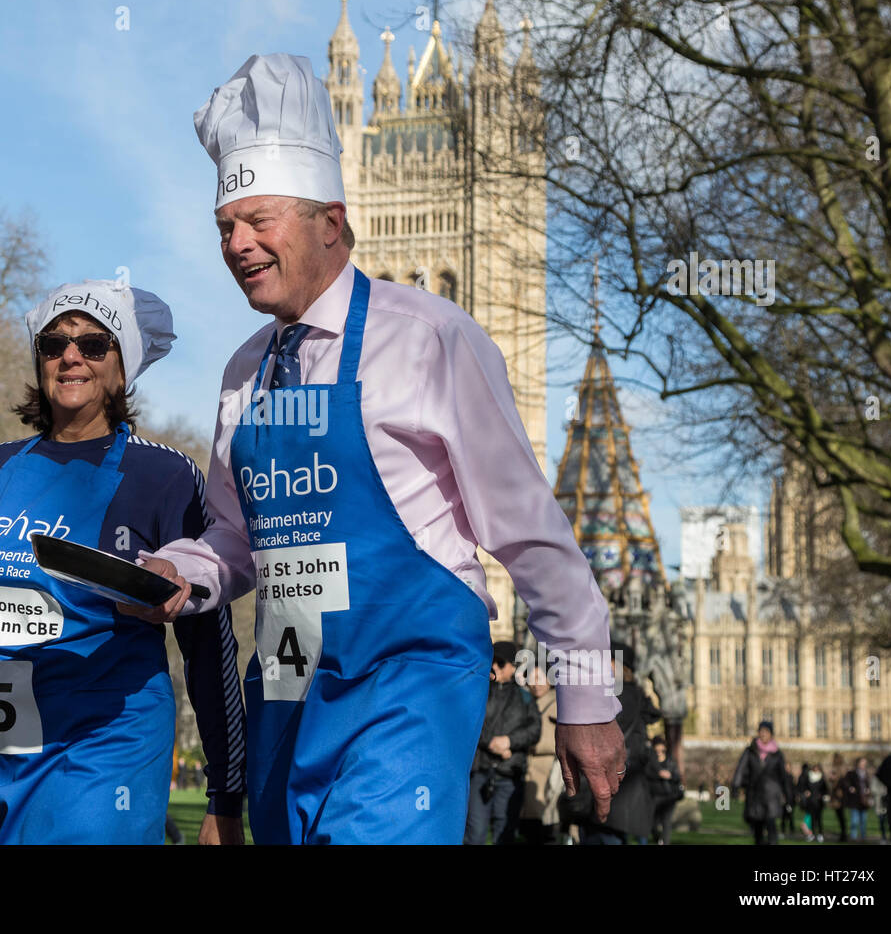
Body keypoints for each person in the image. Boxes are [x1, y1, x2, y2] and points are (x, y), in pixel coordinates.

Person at [128, 52, 624, 845]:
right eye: (226, 227)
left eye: (260, 221)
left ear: (331, 221)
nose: (238, 244)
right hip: (287, 688)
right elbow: (235, 537)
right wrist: (179, 574)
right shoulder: (242, 372)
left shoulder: (430, 337)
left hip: (406, 682)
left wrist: (588, 696)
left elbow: (530, 531)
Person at [0, 280, 247, 844]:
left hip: (102, 741)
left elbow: (208, 645)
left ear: (122, 370)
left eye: (94, 345)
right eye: (54, 344)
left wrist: (226, 793)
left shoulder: (165, 476)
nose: (70, 356)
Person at [578, 645, 659, 844]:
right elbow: (653, 715)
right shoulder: (638, 696)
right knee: (614, 832)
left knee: (602, 834)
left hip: (607, 775)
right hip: (628, 778)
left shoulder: (610, 694)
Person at [464, 641, 541, 844]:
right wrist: (492, 743)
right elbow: (470, 722)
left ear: (513, 666)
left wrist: (509, 742)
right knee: (475, 834)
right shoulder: (480, 692)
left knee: (505, 834)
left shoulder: (525, 698)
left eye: (500, 662)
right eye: (492, 661)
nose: (495, 667)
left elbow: (534, 731)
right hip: (480, 771)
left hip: (510, 773)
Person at [731, 721, 794, 845]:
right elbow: (740, 769)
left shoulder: (777, 754)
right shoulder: (750, 751)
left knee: (771, 824)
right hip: (755, 794)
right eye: (761, 731)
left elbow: (783, 777)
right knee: (757, 827)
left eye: (766, 731)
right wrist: (735, 786)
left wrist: (789, 796)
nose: (763, 734)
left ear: (771, 734)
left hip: (772, 795)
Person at [520, 665, 562, 844]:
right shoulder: (525, 703)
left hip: (548, 771)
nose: (535, 684)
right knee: (529, 826)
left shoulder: (559, 704)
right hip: (527, 770)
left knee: (547, 824)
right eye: (532, 678)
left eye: (540, 678)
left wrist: (531, 745)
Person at [648, 735, 683, 845]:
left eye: (661, 749)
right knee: (652, 822)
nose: (659, 751)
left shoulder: (670, 761)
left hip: (669, 795)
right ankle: (658, 838)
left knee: (666, 821)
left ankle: (665, 842)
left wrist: (670, 775)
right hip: (654, 796)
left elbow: (677, 776)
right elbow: (646, 774)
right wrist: (659, 774)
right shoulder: (650, 761)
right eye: (656, 749)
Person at [839, 756, 871, 841]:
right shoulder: (852, 773)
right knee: (854, 821)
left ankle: (863, 837)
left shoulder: (866, 774)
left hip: (864, 800)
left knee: (863, 821)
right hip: (855, 800)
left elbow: (869, 784)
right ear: (858, 764)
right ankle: (853, 838)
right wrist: (850, 788)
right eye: (862, 763)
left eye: (865, 763)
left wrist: (868, 789)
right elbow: (844, 782)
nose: (863, 765)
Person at [797, 762, 828, 842]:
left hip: (819, 801)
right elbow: (804, 787)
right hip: (811, 801)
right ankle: (813, 834)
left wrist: (822, 795)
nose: (816, 770)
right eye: (815, 768)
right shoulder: (808, 778)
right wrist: (806, 792)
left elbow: (825, 790)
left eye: (817, 769)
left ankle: (820, 834)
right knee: (813, 819)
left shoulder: (822, 778)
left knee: (819, 819)